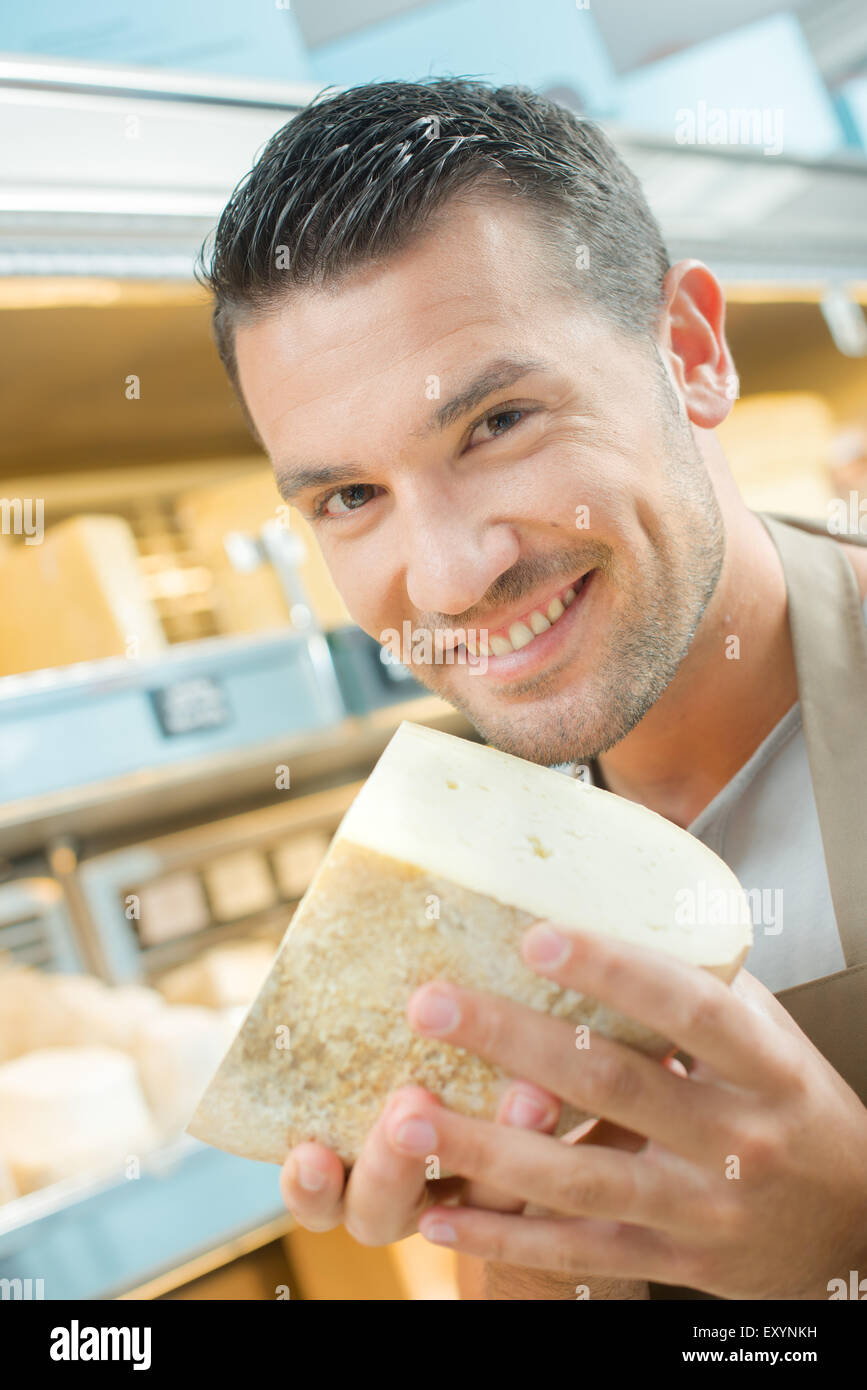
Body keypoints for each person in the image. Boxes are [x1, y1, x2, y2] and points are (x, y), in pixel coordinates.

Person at [201, 79, 867, 1300]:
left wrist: (845, 1254)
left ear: (692, 354)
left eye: (499, 420)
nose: (453, 578)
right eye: (349, 497)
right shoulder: (439, 900)